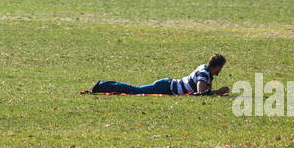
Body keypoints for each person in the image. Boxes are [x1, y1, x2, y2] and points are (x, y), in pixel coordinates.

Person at [90, 54, 229, 96]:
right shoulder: (204, 74)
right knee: (134, 90)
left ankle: (103, 85)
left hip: (167, 84)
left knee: (135, 90)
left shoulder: (205, 69)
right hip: (165, 87)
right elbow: (201, 93)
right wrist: (219, 91)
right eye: (220, 68)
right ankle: (102, 85)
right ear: (216, 66)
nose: (220, 71)